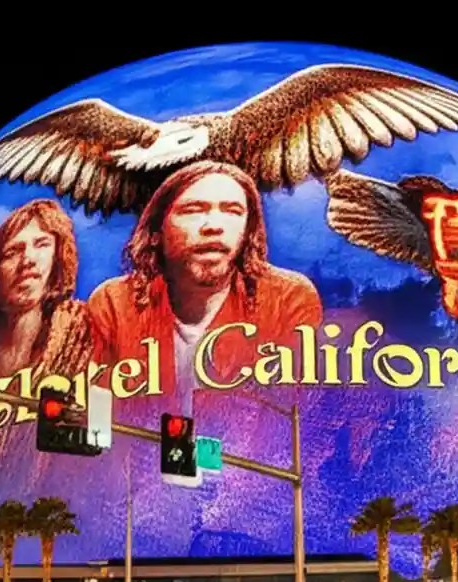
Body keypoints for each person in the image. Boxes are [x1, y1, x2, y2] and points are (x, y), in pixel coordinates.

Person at [87, 160, 323, 412]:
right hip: (144, 449)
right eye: (193, 210)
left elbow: (293, 417)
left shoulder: (288, 299)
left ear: (248, 230)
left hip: (237, 452)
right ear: (157, 230)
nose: (213, 226)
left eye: (232, 211)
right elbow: (99, 417)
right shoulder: (114, 303)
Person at [0, 198, 92, 502]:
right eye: (12, 251)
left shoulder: (76, 327)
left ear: (58, 255)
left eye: (41, 244)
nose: (28, 260)